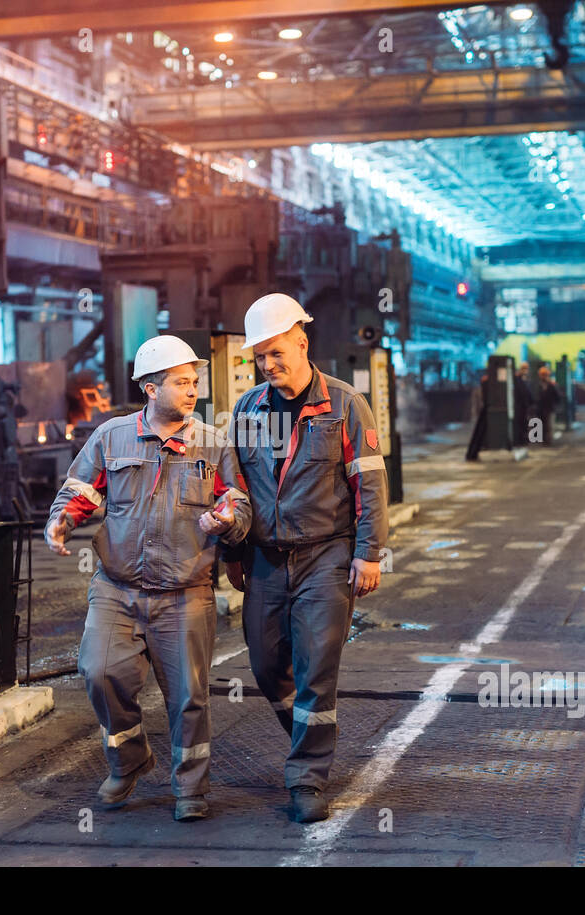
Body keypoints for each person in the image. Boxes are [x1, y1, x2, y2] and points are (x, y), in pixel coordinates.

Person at [46, 335, 252, 822]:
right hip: (116, 589)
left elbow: (237, 503)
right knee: (99, 673)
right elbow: (81, 491)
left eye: (194, 381)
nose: (192, 390)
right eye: (181, 382)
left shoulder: (212, 443)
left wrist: (226, 520)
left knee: (188, 697)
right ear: (149, 388)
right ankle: (130, 759)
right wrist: (62, 521)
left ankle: (190, 788)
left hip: (185, 592)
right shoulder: (112, 437)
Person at [223, 293, 389, 824]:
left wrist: (368, 554)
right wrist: (232, 549)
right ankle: (306, 731)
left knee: (316, 664)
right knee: (268, 666)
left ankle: (307, 778)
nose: (269, 365)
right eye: (260, 357)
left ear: (302, 341)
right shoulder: (248, 409)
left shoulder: (344, 404)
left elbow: (370, 484)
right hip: (266, 559)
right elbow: (236, 487)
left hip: (326, 555)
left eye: (277, 353)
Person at [465, 371, 489, 461]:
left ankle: (472, 454)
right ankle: (472, 454)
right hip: (482, 412)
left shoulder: (480, 388)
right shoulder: (479, 389)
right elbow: (477, 404)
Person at [536, 365, 561, 444]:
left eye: (544, 375)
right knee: (543, 425)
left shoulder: (552, 385)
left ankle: (549, 441)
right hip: (541, 409)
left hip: (550, 408)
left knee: (549, 426)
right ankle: (544, 440)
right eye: (542, 375)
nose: (543, 377)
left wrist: (554, 404)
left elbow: (557, 396)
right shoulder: (539, 385)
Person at [513, 363, 533, 447]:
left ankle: (523, 440)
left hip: (524, 406)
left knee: (524, 423)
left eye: (526, 369)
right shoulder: (517, 379)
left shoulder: (525, 380)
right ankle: (520, 440)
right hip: (519, 406)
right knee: (520, 423)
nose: (525, 371)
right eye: (524, 369)